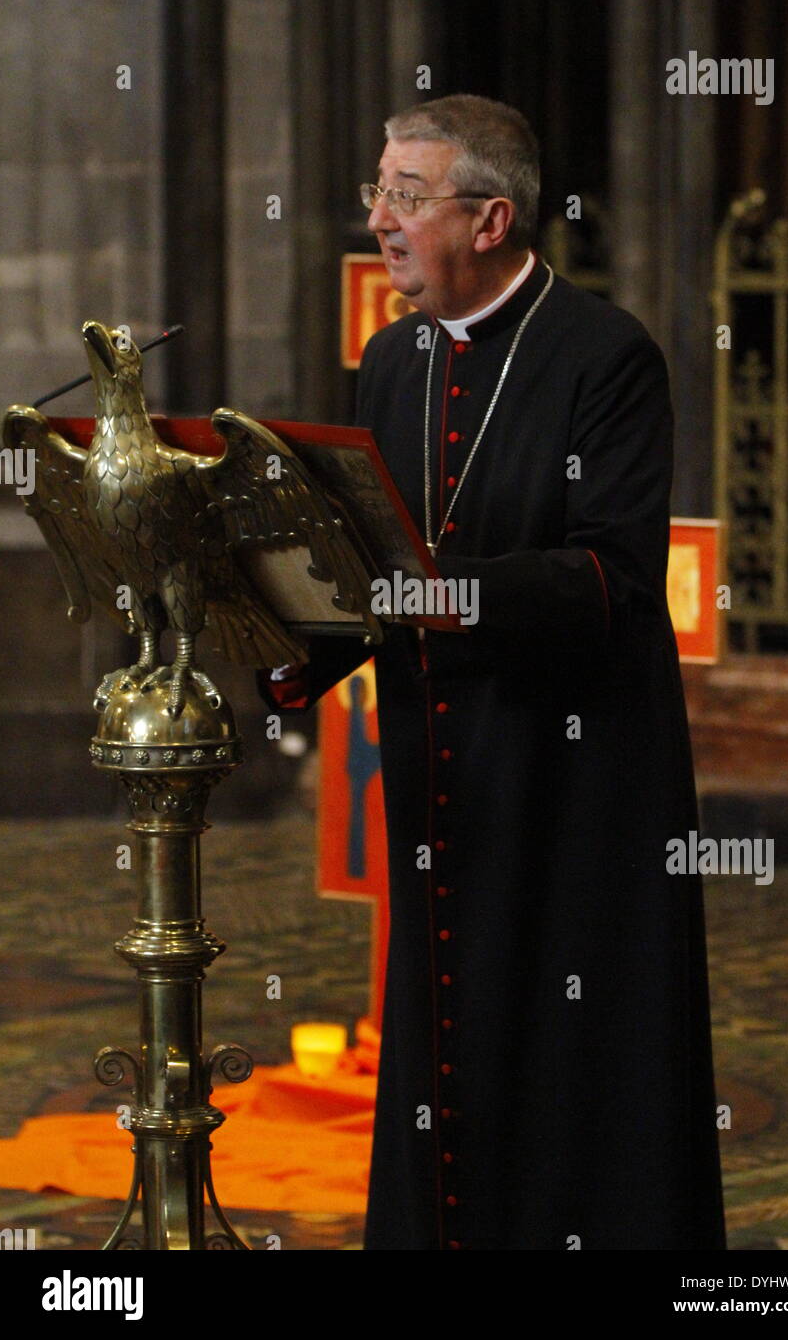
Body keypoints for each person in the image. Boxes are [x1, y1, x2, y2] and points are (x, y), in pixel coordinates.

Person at [261, 93, 725, 1251]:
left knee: (571, 1060)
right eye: (378, 190)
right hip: (438, 775)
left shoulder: (604, 355)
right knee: (443, 1048)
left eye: (406, 197)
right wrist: (271, 664)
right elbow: (366, 564)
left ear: (490, 219)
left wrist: (441, 591)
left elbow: (609, 578)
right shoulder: (389, 358)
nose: (378, 218)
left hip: (574, 783)